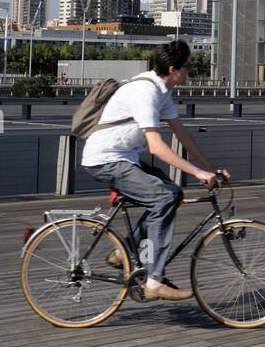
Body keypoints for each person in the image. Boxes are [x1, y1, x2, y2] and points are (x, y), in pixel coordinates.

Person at [81, 40, 226, 301]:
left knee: (172, 192)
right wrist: (197, 173)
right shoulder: (145, 93)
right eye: (188, 67)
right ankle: (154, 281)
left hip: (125, 158)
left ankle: (122, 251)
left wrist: (210, 168)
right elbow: (157, 147)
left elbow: (182, 135)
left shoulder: (162, 91)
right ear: (173, 69)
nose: (190, 71)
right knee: (163, 197)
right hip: (105, 159)